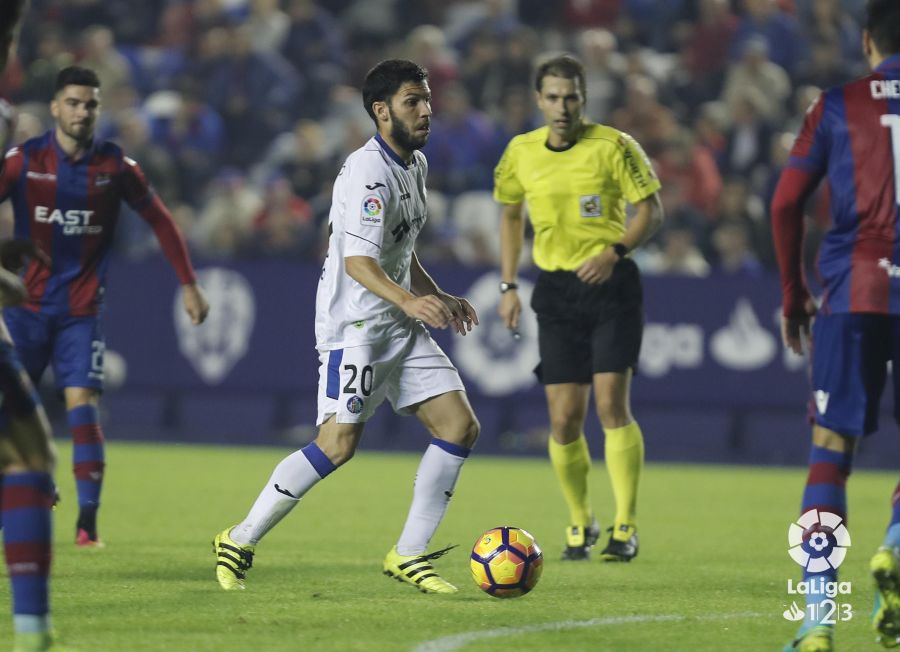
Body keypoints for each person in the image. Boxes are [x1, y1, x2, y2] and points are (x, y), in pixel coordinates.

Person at [212, 59, 480, 593]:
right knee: (336, 445)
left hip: (397, 324)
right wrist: (410, 302)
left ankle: (408, 555)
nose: (426, 110)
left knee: (458, 427)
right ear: (382, 112)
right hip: (357, 329)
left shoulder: (415, 166)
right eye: (412, 101)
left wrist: (435, 296)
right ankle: (239, 538)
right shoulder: (367, 171)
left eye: (426, 99)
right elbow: (359, 261)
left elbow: (400, 252)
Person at [0, 65, 210, 547]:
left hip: (80, 311)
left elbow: (161, 222)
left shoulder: (117, 167)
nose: (81, 111)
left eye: (90, 103)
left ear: (98, 108)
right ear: (55, 107)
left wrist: (189, 284)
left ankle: (87, 523)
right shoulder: (22, 162)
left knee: (82, 407)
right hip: (24, 310)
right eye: (72, 102)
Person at [494, 54, 664, 562]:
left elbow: (651, 211)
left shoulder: (614, 146)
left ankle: (625, 525)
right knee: (564, 418)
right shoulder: (521, 152)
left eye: (571, 97)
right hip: (557, 290)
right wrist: (508, 284)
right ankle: (579, 520)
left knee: (611, 404)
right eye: (553, 97)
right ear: (538, 100)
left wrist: (615, 253)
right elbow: (508, 215)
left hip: (612, 288)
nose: (562, 106)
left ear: (583, 97)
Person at [771, 1, 900, 650]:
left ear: (868, 39)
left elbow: (786, 201)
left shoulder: (837, 104)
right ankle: (896, 546)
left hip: (853, 290)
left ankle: (818, 621)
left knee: (831, 451)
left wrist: (796, 294)